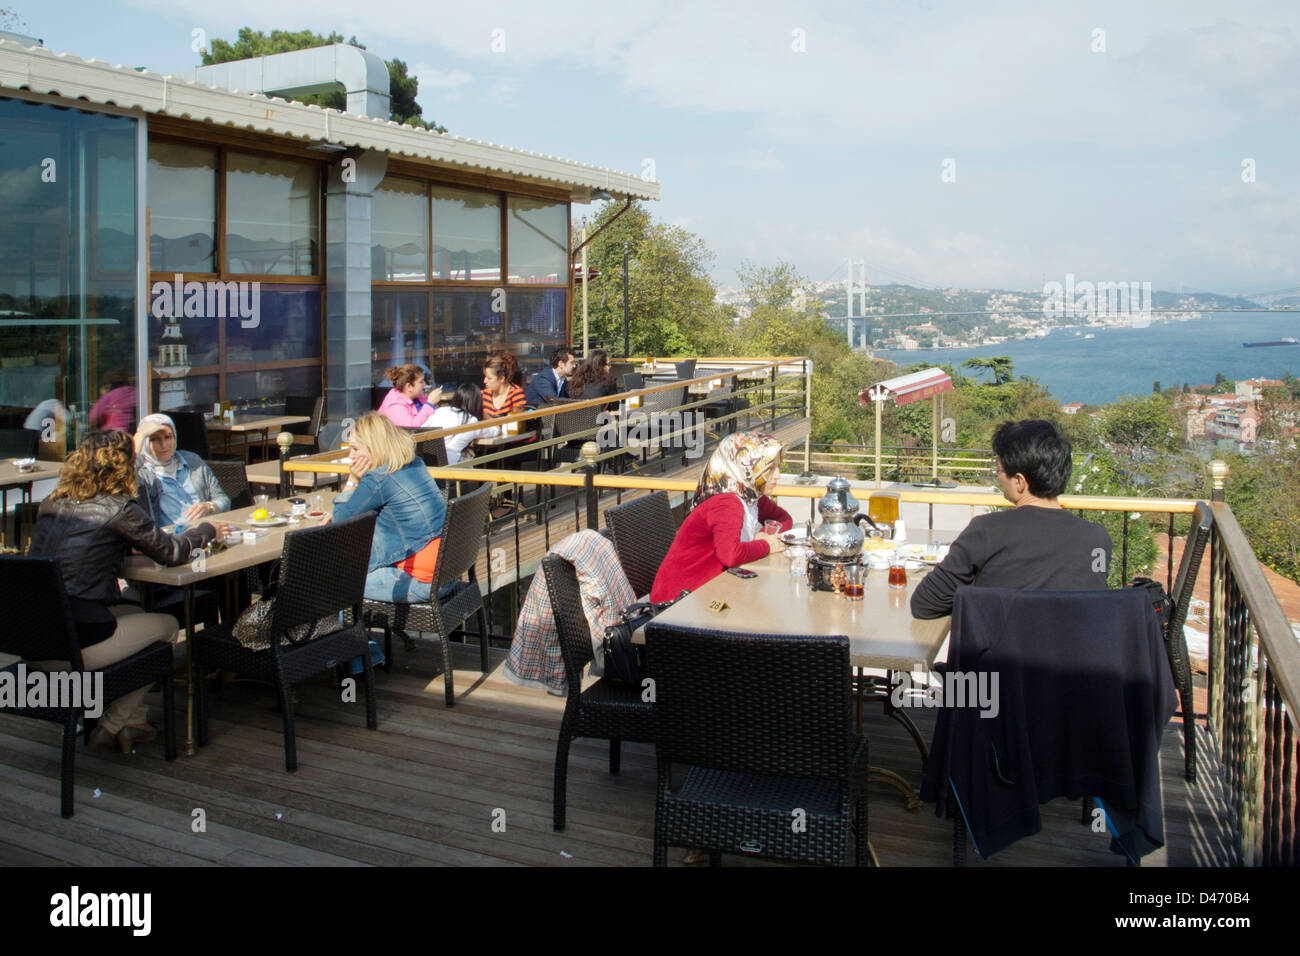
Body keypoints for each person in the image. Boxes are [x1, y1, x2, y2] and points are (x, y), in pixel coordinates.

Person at [28, 430, 225, 753]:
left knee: (136, 614)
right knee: (167, 626)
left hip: (35, 641)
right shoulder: (118, 508)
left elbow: (83, 549)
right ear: (125, 465)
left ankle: (134, 723)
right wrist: (206, 529)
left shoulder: (51, 504)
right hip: (73, 648)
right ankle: (112, 724)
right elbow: (172, 554)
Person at [910, 419, 1112, 620]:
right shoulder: (1097, 538)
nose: (998, 477)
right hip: (1075, 651)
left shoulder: (987, 531)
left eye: (999, 470)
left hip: (1001, 651)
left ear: (1019, 481)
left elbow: (925, 604)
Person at [650, 432, 793, 602]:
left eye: (778, 467)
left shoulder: (750, 495)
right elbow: (730, 555)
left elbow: (784, 519)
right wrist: (766, 545)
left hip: (709, 591)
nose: (778, 475)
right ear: (746, 466)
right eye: (770, 468)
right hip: (679, 601)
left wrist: (764, 534)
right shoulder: (727, 502)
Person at [331, 412, 447, 603]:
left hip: (420, 582)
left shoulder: (378, 478)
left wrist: (351, 481)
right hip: (446, 573)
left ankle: (348, 633)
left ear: (373, 448)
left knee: (330, 578)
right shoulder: (415, 464)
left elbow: (339, 523)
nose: (351, 456)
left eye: (354, 449)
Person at [133, 413, 230, 526]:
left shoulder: (192, 461)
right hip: (174, 539)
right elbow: (125, 476)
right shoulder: (141, 473)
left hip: (209, 530)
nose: (164, 445)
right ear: (145, 443)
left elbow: (224, 500)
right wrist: (140, 435)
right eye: (155, 439)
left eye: (168, 437)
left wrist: (209, 506)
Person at [427, 383, 502, 465]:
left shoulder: (440, 411)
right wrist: (485, 415)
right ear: (477, 403)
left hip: (426, 460)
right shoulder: (470, 421)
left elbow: (422, 428)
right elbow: (496, 430)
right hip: (449, 464)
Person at [377, 363, 444, 429]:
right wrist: (430, 404)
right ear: (409, 386)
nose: (424, 384)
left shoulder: (417, 396)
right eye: (421, 382)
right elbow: (410, 429)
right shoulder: (395, 406)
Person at [481, 350, 528, 419]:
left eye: (489, 378)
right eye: (485, 377)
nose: (484, 381)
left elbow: (517, 422)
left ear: (501, 379)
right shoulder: (485, 394)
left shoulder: (516, 393)